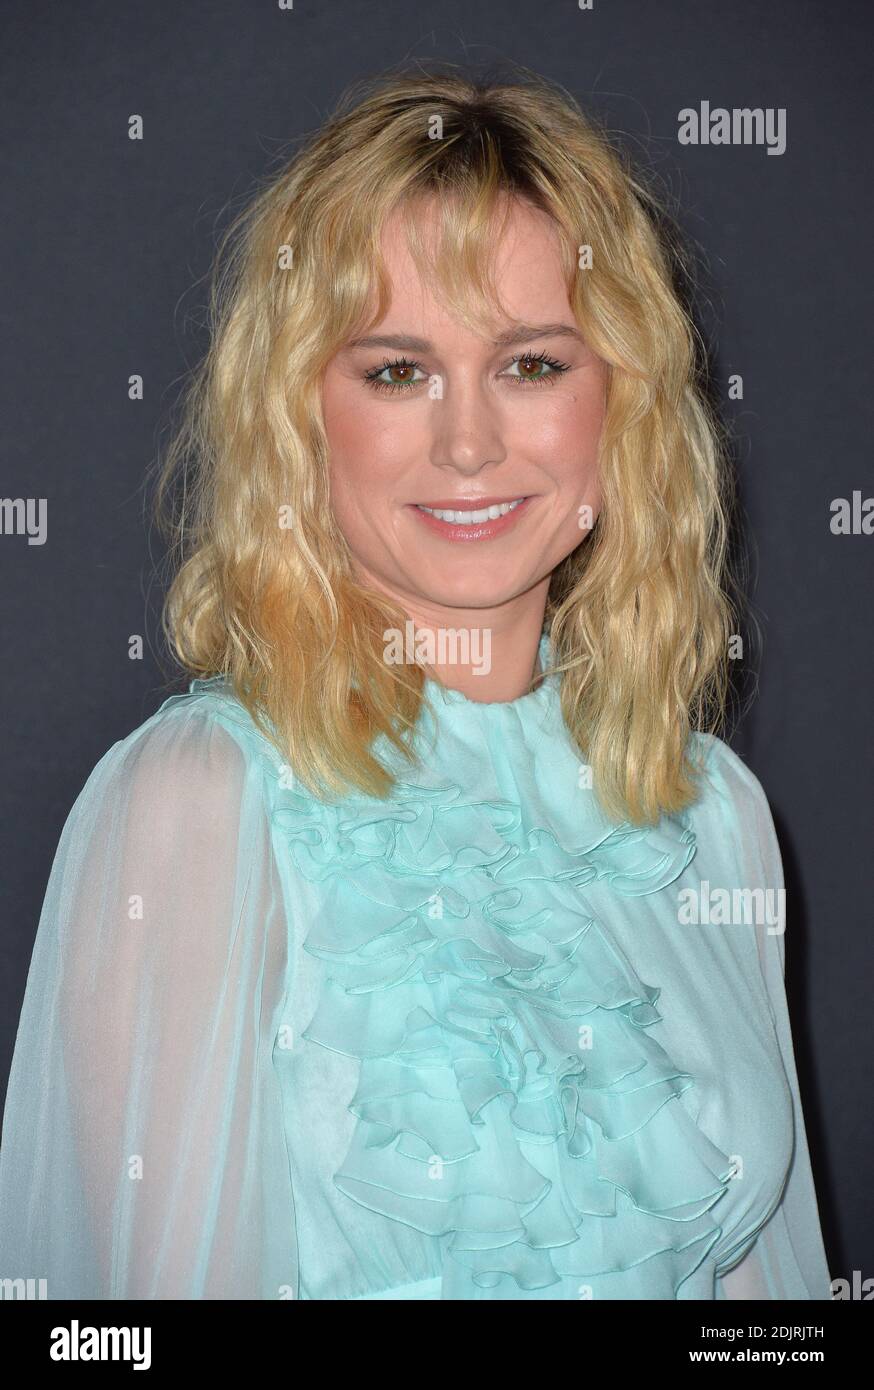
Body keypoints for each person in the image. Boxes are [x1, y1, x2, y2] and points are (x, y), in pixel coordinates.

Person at [0, 68, 831, 1300]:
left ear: (624, 404)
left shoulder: (710, 814)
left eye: (533, 363)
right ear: (300, 416)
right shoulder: (202, 802)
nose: (468, 442)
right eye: (396, 370)